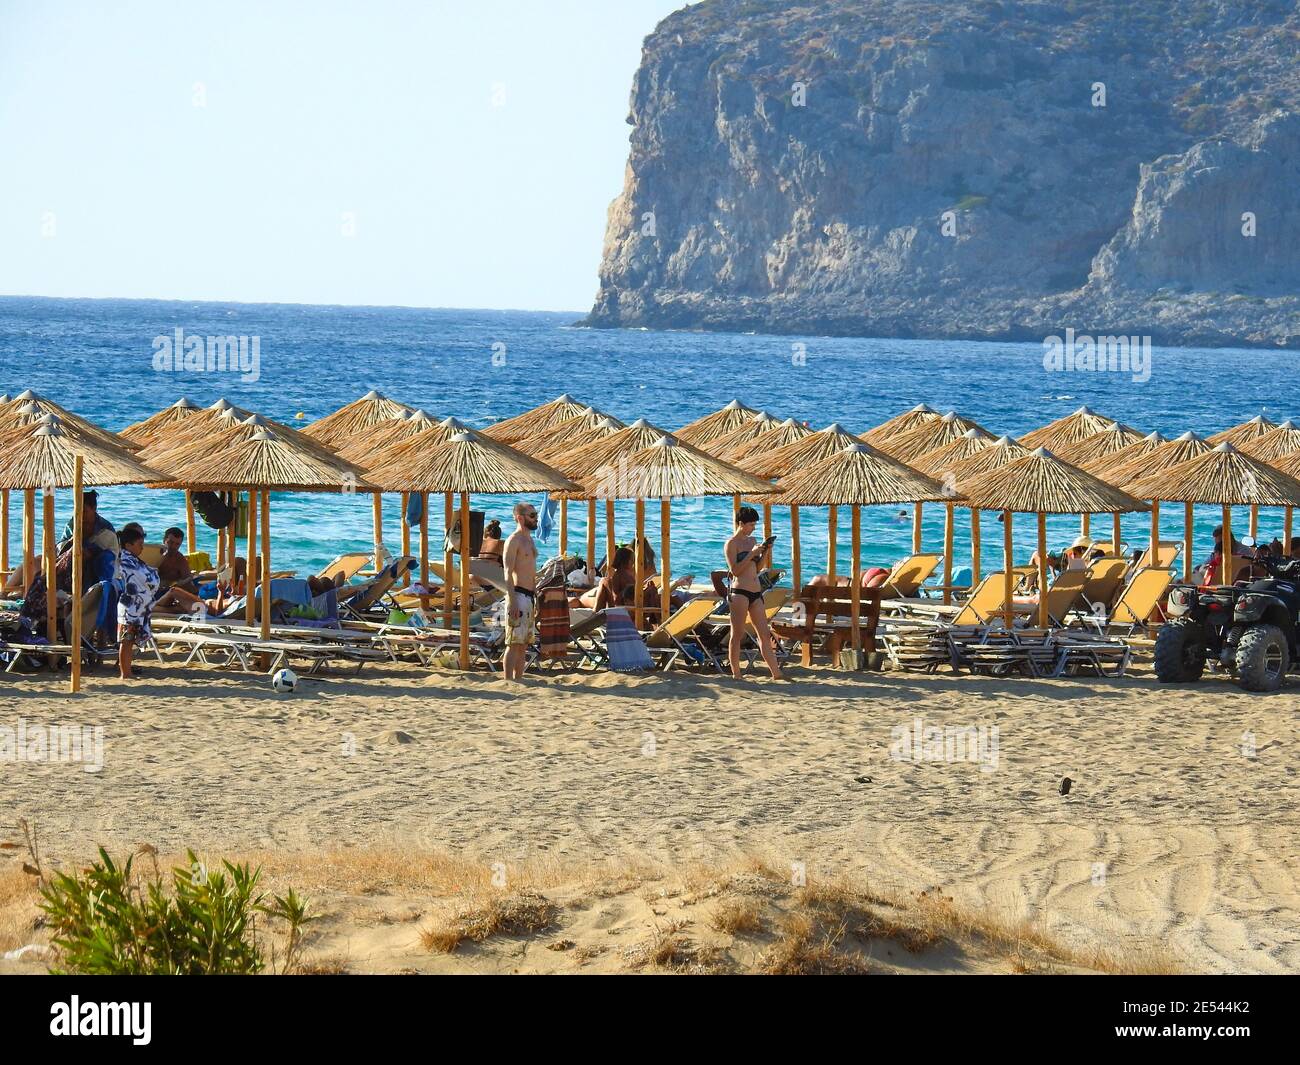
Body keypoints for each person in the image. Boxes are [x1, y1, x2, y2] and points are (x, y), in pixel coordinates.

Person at [724, 506, 784, 681]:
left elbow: (757, 568)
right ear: (741, 524)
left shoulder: (752, 541)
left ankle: (776, 673)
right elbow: (735, 570)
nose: (753, 528)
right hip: (739, 591)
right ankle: (736, 674)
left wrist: (764, 552)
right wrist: (751, 554)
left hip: (756, 592)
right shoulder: (731, 544)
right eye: (751, 524)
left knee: (764, 634)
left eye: (754, 524)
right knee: (737, 634)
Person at [502, 501, 539, 682]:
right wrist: (512, 600)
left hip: (530, 597)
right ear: (520, 518)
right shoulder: (514, 540)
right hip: (517, 594)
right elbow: (507, 572)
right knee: (513, 642)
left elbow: (531, 571)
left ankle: (519, 679)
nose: (536, 519)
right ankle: (508, 681)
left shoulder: (529, 539)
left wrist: (536, 596)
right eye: (532, 516)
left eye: (536, 515)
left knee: (524, 643)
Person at [116, 523, 159, 680]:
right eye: (140, 544)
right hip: (130, 606)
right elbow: (137, 578)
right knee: (126, 640)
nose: (142, 548)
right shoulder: (126, 560)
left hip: (136, 605)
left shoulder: (133, 560)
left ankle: (127, 672)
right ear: (129, 545)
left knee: (130, 639)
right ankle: (125, 674)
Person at [157, 527, 197, 594]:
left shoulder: (180, 560)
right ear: (164, 540)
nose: (173, 546)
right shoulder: (154, 554)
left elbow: (188, 582)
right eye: (170, 542)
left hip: (166, 591)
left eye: (177, 544)